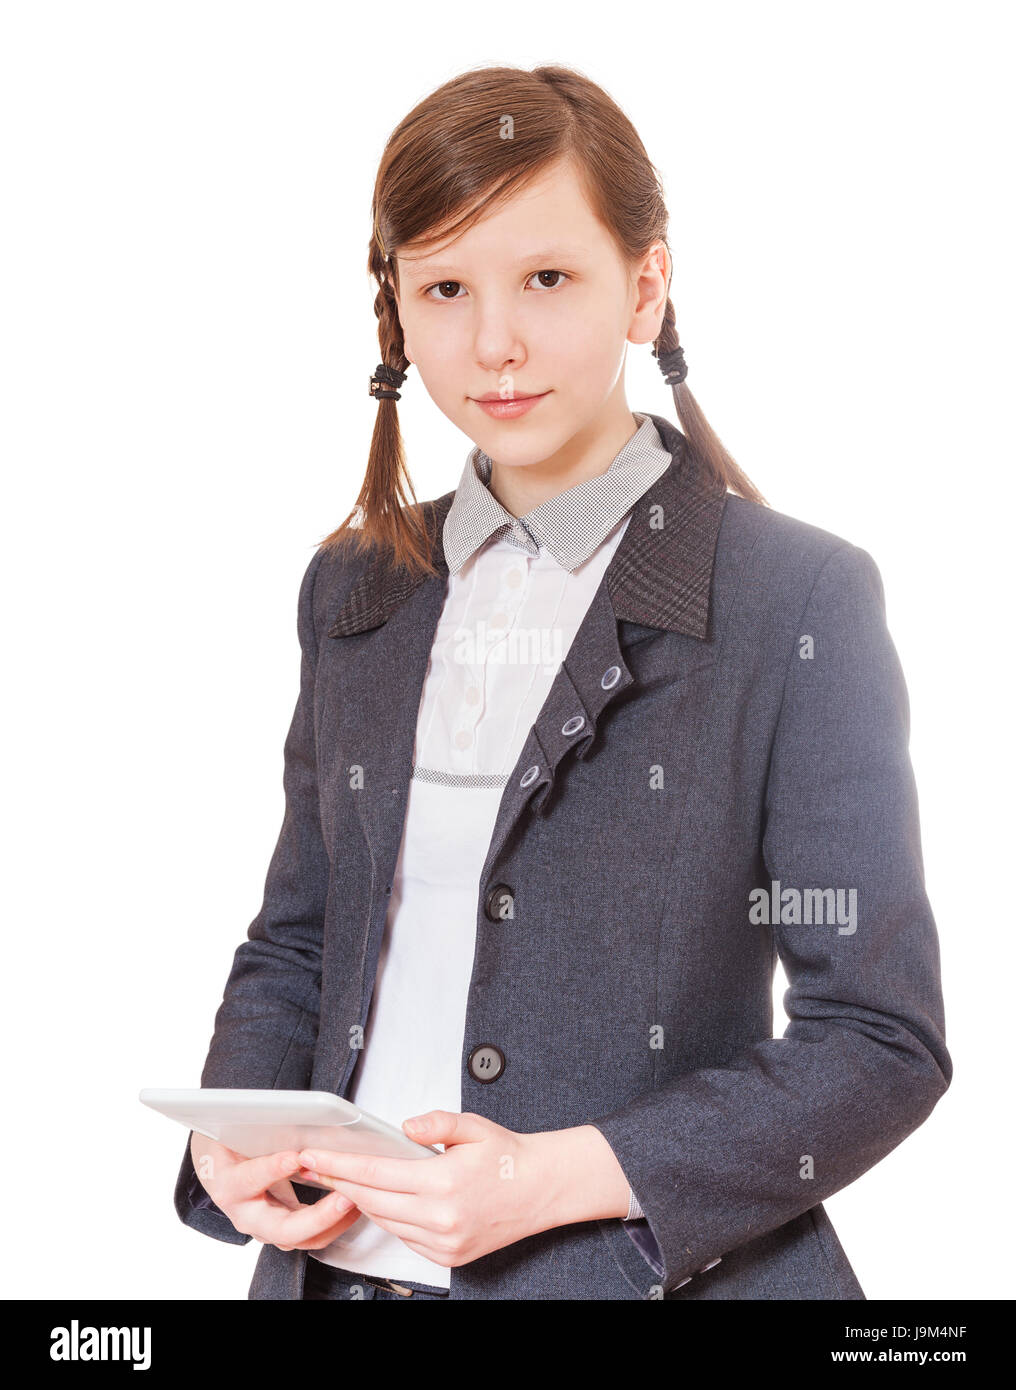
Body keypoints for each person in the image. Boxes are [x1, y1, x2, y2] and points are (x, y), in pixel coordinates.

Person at [175, 63, 951, 1301]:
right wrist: (238, 1130)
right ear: (394, 312)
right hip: (333, 1275)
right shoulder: (354, 587)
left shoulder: (793, 600)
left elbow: (877, 1041)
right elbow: (299, 937)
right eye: (443, 287)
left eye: (546, 277)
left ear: (644, 285)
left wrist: (557, 1176)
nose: (494, 343)